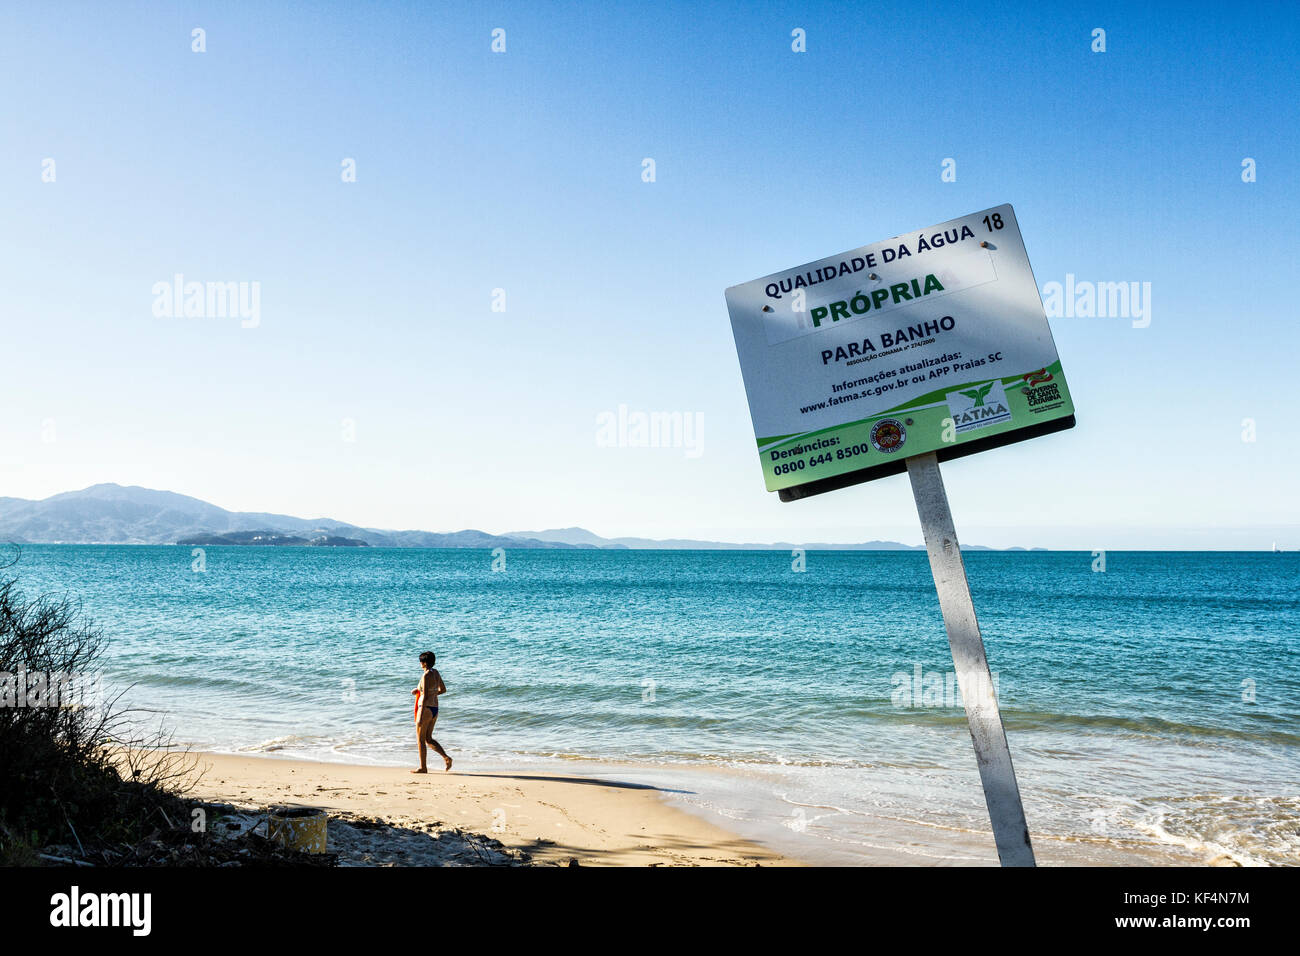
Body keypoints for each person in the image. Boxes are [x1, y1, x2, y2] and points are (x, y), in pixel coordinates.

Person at [410, 651, 452, 772]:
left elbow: (425, 696)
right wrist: (419, 691)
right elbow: (442, 690)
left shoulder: (425, 675)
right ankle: (446, 758)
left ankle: (423, 767)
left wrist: (420, 715)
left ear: (424, 663)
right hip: (434, 709)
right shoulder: (435, 672)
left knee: (420, 740)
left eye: (421, 661)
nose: (420, 663)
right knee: (428, 738)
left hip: (425, 708)